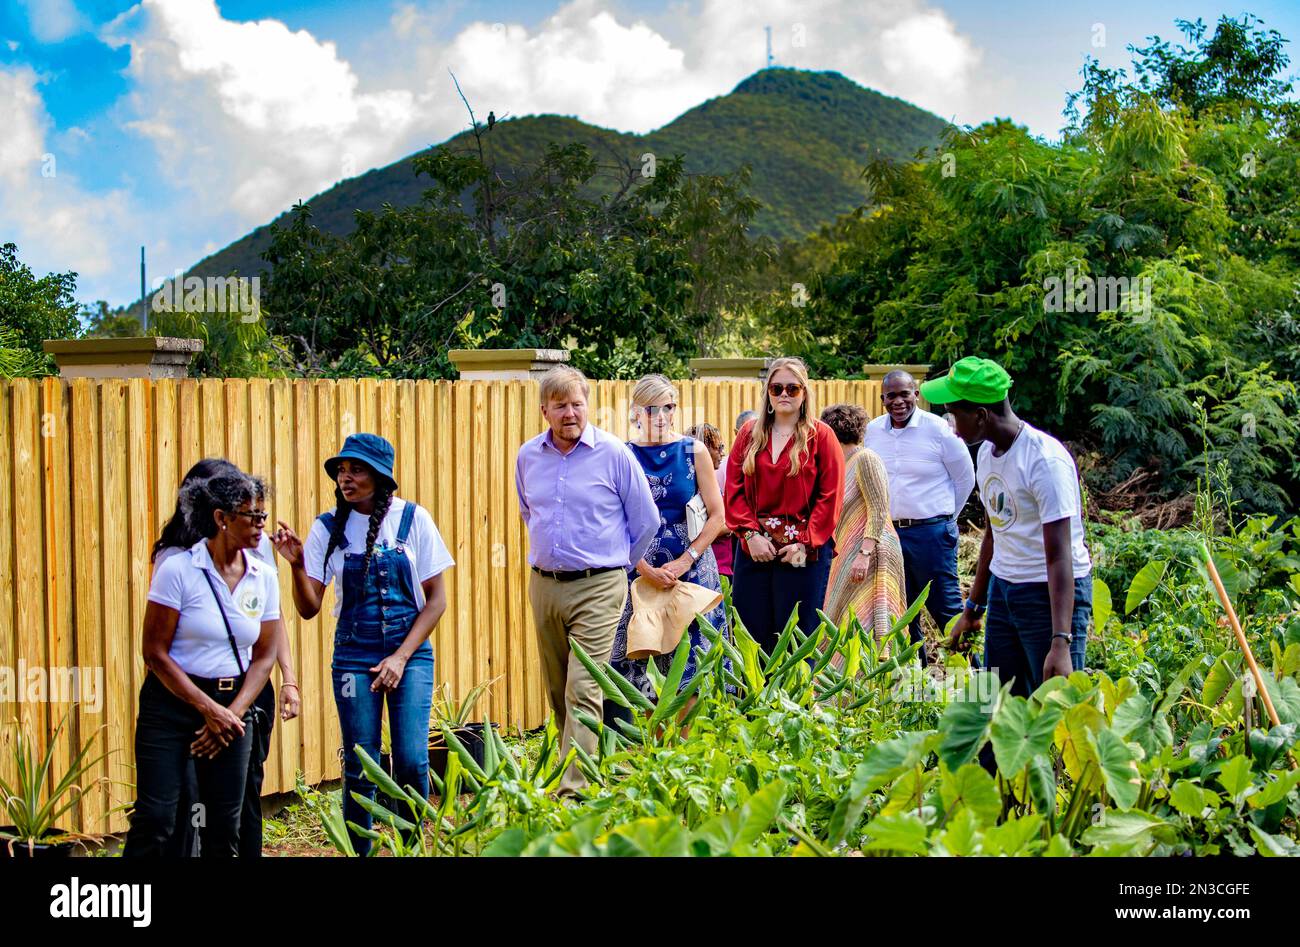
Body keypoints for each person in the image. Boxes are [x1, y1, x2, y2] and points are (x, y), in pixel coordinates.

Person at [274, 433, 453, 856]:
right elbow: (308, 608)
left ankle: (410, 847)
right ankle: (362, 851)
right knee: (360, 762)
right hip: (353, 657)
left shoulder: (413, 519)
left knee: (411, 759)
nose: (345, 477)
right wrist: (298, 564)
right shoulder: (327, 528)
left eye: (356, 469)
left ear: (380, 477)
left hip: (410, 655)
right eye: (341, 469)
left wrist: (400, 656)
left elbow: (437, 600)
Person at [515, 366, 658, 794]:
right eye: (560, 405)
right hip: (544, 584)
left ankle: (573, 792)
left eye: (577, 404)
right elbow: (528, 512)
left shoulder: (613, 454)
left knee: (583, 685)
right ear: (545, 410)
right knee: (558, 687)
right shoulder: (528, 457)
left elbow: (646, 521)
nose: (570, 413)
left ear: (588, 406)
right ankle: (583, 768)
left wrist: (618, 568)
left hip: (599, 585)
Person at [124, 472, 280, 857]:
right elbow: (154, 652)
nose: (261, 525)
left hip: (232, 711)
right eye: (251, 516)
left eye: (263, 515)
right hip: (172, 707)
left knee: (223, 827)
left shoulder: (264, 576)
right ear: (221, 518)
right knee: (157, 818)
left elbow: (264, 656)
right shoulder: (179, 570)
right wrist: (206, 709)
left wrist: (231, 715)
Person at [923, 357, 1093, 697]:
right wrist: (973, 608)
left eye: (954, 414)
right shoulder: (987, 453)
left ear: (982, 416)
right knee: (998, 706)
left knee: (1055, 711)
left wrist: (1060, 641)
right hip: (1005, 591)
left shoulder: (1044, 461)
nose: (951, 426)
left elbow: (1060, 557)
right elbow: (993, 534)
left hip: (1048, 596)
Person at [611, 380, 730, 704]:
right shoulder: (623, 455)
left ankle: (688, 752)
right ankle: (651, 751)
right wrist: (643, 568)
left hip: (691, 571)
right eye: (651, 409)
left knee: (692, 671)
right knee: (641, 674)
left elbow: (717, 515)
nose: (660, 415)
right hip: (640, 575)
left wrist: (685, 560)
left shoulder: (694, 451)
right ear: (637, 412)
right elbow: (615, 521)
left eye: (668, 407)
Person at [725, 357, 845, 653]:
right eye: (777, 388)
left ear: (804, 393)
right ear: (768, 392)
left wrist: (805, 543)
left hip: (803, 551)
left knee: (797, 636)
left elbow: (830, 497)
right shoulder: (749, 434)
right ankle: (753, 699)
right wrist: (750, 535)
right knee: (752, 636)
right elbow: (734, 489)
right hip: (755, 549)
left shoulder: (822, 437)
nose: (784, 395)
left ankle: (795, 700)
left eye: (793, 389)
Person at [864, 369, 975, 665]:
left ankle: (977, 682)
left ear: (916, 393)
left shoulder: (938, 429)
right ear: (882, 399)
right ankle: (916, 691)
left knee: (946, 610)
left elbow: (965, 478)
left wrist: (946, 519)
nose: (898, 401)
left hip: (932, 535)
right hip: (890, 536)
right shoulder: (872, 432)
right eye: (891, 396)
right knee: (900, 614)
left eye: (904, 393)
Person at [820, 404, 906, 651]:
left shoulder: (866, 459)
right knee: (845, 614)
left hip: (872, 553)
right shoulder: (843, 464)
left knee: (871, 616)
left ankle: (874, 678)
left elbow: (879, 509)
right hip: (850, 552)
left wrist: (864, 554)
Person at [685, 422, 734, 579]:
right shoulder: (694, 487)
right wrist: (732, 525)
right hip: (709, 567)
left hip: (721, 566)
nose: (723, 453)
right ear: (704, 450)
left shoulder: (708, 482)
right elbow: (695, 529)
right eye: (719, 447)